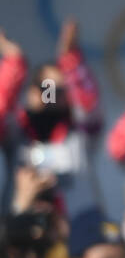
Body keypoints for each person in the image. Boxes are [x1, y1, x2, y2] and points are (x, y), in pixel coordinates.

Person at [0, 20, 101, 214]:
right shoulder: (14, 132)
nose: (52, 96)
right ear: (30, 92)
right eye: (46, 88)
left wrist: (70, 60)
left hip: (75, 232)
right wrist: (14, 64)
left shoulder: (81, 132)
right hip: (21, 231)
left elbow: (89, 104)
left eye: (59, 90)